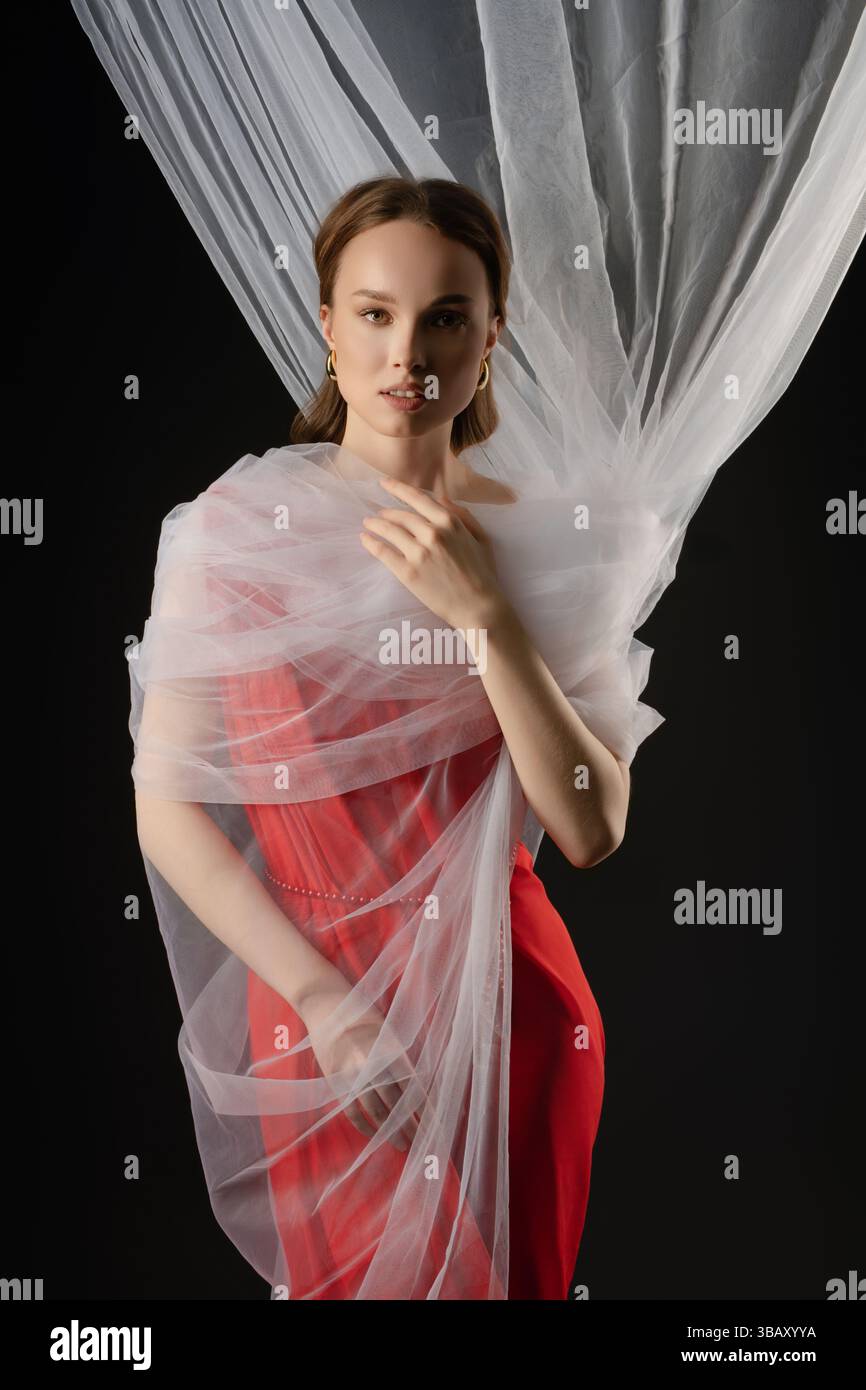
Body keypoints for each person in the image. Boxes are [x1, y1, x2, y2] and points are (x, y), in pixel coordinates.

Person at [134, 177, 630, 1299]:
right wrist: (319, 1000)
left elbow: (592, 825)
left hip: (509, 1006)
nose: (408, 352)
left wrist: (489, 618)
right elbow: (163, 802)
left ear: (490, 334)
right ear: (324, 323)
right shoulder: (230, 535)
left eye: (444, 317)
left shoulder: (545, 544)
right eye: (373, 313)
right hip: (315, 1005)